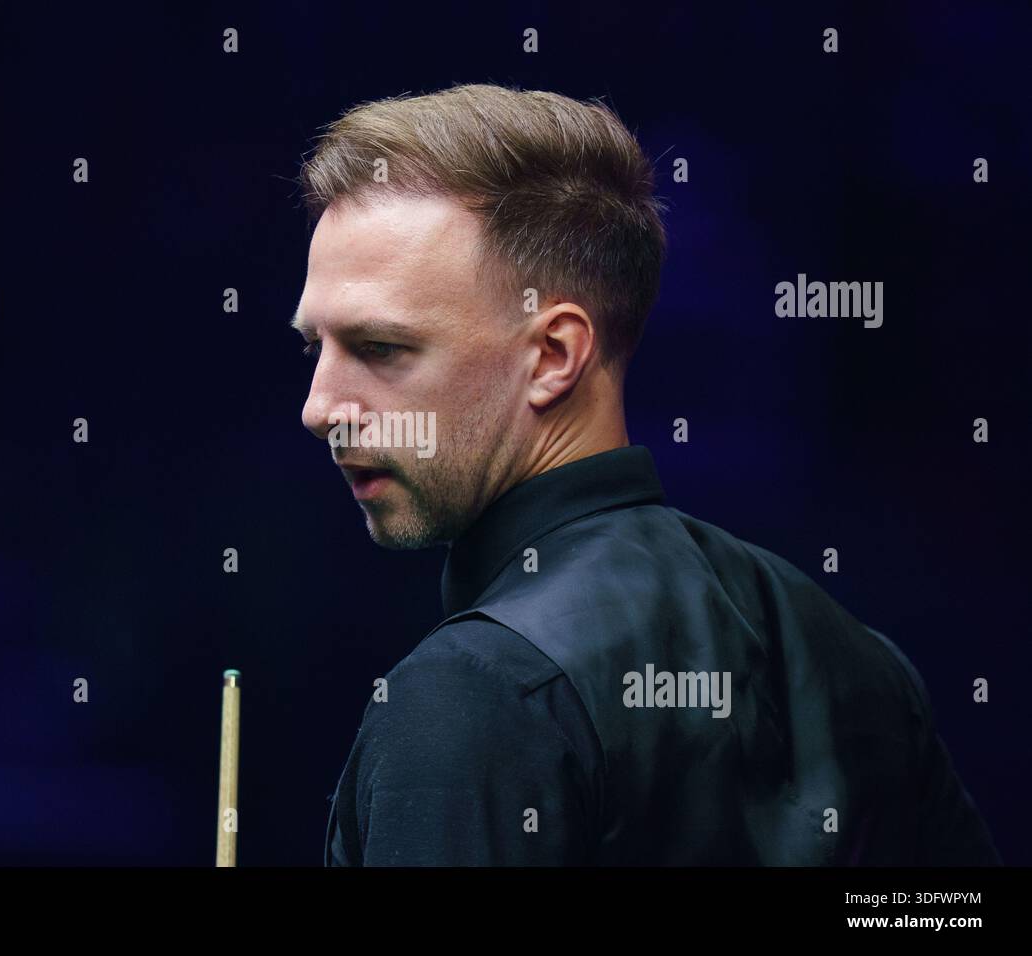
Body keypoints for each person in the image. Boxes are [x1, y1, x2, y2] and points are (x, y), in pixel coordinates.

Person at [290, 83, 1001, 866]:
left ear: (555, 355)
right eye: (312, 348)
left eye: (381, 348)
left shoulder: (473, 696)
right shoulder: (857, 661)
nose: (321, 408)